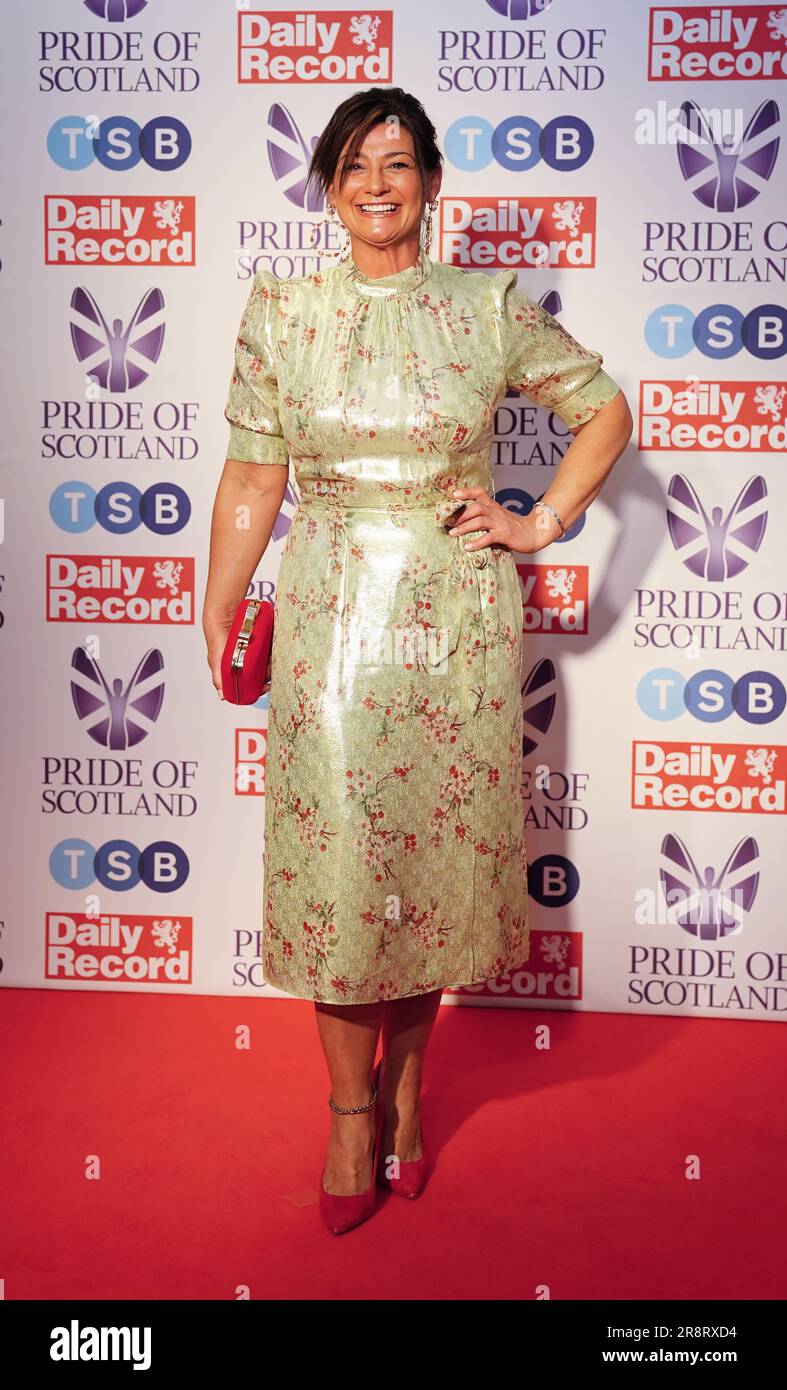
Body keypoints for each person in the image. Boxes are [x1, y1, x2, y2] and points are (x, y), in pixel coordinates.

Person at [202, 87, 633, 1235]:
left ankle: (405, 1086)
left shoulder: (486, 305)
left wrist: (537, 522)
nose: (377, 185)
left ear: (431, 181)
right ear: (330, 189)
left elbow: (603, 408)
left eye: (397, 163)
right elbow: (253, 476)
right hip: (330, 606)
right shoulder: (282, 309)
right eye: (353, 166)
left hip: (453, 617)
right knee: (341, 853)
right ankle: (351, 1107)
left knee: (424, 849)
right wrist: (221, 597)